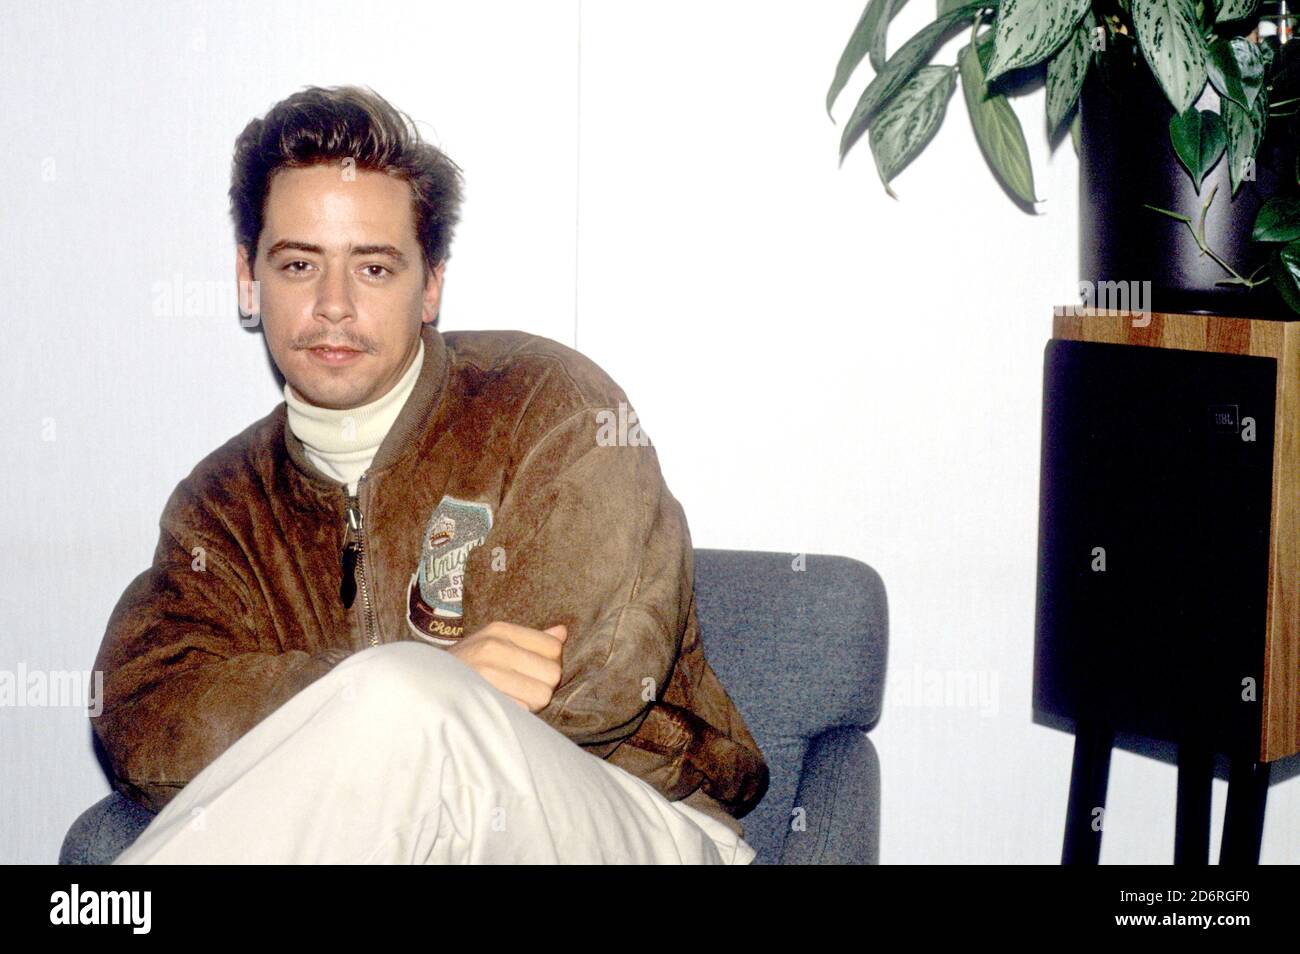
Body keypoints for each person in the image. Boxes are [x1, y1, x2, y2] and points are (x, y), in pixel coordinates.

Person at [92, 85, 768, 864]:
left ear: (432, 284)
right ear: (250, 278)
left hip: (627, 823)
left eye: (374, 268)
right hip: (373, 834)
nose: (334, 305)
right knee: (399, 696)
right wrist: (393, 678)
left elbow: (592, 680)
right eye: (300, 263)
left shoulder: (548, 405)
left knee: (405, 699)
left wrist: (408, 694)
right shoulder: (222, 504)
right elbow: (144, 715)